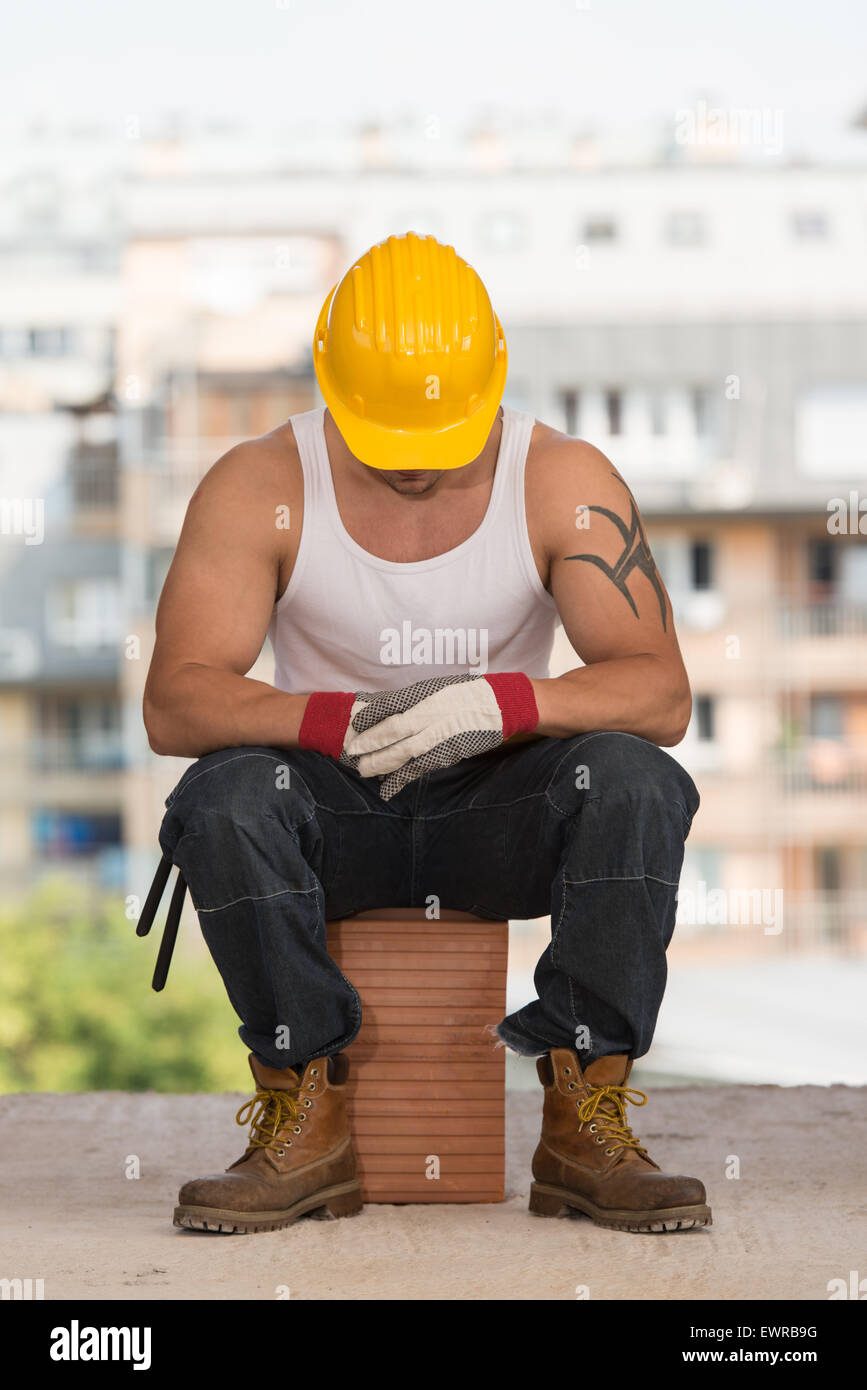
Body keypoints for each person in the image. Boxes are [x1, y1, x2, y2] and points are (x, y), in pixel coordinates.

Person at [144, 231, 709, 1236]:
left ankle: (584, 1118)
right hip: (329, 808)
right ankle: (304, 1107)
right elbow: (176, 702)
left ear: (492, 382)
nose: (412, 470)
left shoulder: (560, 477)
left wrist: (505, 703)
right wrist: (333, 721)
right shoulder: (256, 482)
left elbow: (660, 693)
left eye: (438, 442)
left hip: (499, 812)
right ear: (332, 387)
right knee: (224, 794)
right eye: (386, 441)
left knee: (633, 778)